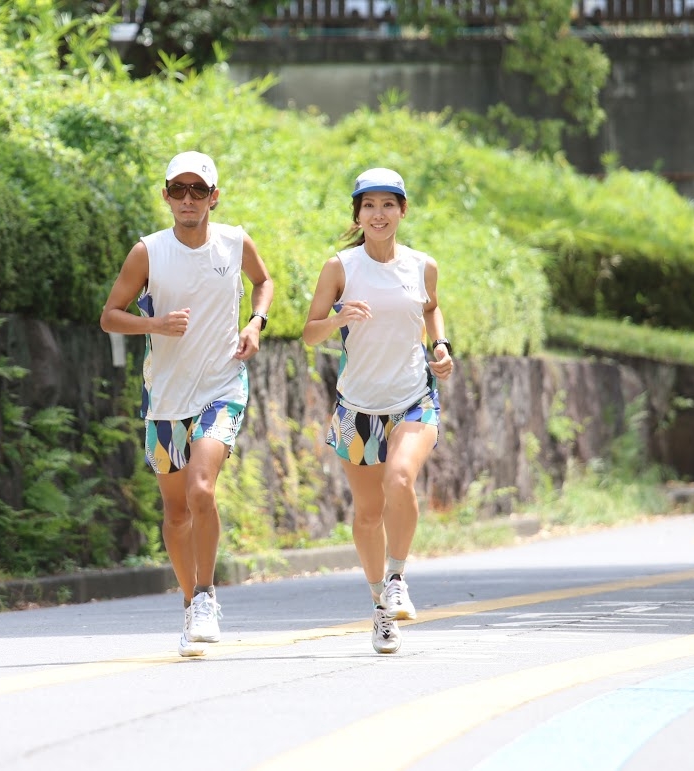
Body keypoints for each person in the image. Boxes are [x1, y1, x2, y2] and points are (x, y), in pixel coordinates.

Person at [100, 151, 274, 657]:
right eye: (179, 189)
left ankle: (205, 595)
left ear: (214, 197)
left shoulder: (235, 242)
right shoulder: (148, 252)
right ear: (166, 196)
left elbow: (263, 282)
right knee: (176, 512)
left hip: (222, 387)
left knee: (201, 489)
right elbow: (110, 315)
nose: (188, 199)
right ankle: (189, 603)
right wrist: (153, 324)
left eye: (199, 190)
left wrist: (255, 323)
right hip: (165, 398)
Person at [301, 167, 454, 654]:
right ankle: (380, 609)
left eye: (388, 204)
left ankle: (397, 578)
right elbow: (309, 332)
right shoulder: (340, 268)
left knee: (400, 479)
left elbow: (430, 307)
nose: (379, 214)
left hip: (412, 398)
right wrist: (338, 319)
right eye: (369, 205)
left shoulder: (422, 265)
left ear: (402, 210)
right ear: (358, 214)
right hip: (357, 408)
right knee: (368, 514)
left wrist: (441, 345)